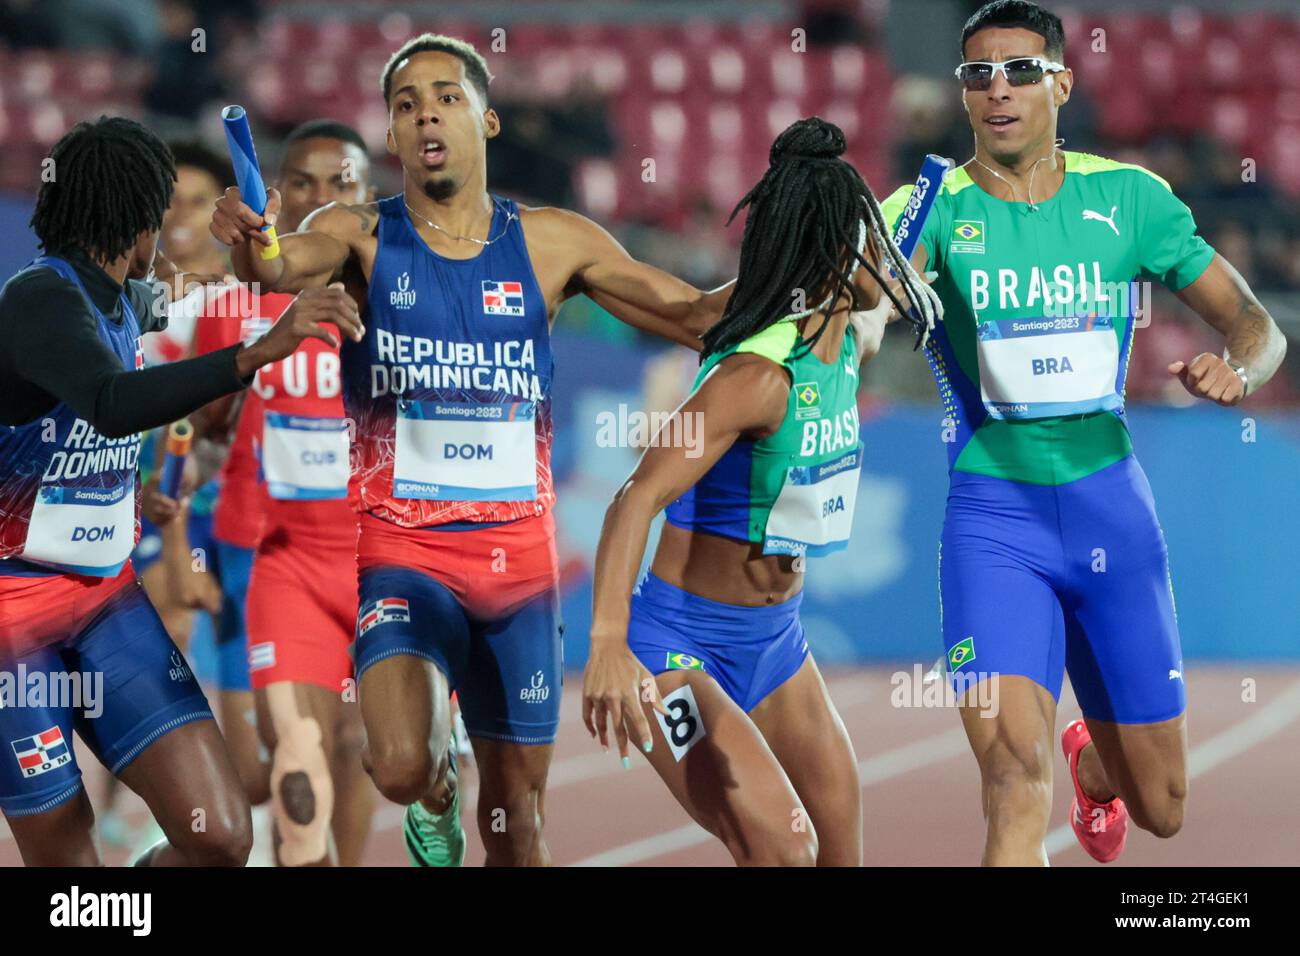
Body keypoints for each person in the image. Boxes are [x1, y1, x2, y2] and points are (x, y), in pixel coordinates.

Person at [210, 33, 729, 866]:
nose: (426, 115)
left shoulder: (554, 241)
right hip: (402, 554)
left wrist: (796, 262)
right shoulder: (357, 235)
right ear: (389, 133)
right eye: (407, 104)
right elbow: (275, 264)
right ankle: (438, 785)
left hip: (520, 569)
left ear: (487, 119)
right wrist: (251, 239)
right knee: (398, 765)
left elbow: (699, 316)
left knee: (518, 827)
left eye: (446, 97)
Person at [879, 0, 1287, 865]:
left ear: (1061, 83)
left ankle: (1095, 766)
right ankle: (1051, 761)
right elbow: (866, 308)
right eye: (978, 73)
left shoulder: (1129, 198)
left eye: (1021, 70)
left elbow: (1257, 324)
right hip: (995, 522)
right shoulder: (928, 207)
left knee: (1164, 806)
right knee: (1011, 777)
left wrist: (1241, 370)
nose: (998, 89)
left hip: (1111, 513)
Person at [0, 116, 362, 865]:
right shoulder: (39, 298)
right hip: (12, 619)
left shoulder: (125, 300)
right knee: (68, 866)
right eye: (160, 219)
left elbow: (204, 302)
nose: (165, 239)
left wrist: (258, 246)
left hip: (106, 603)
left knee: (222, 837)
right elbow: (109, 400)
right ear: (135, 219)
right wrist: (259, 351)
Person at [582, 118, 938, 865]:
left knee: (842, 847)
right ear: (837, 255)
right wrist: (609, 644)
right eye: (870, 240)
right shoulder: (757, 377)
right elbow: (633, 499)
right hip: (678, 648)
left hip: (776, 644)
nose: (884, 253)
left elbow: (874, 318)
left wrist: (905, 284)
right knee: (785, 850)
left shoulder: (846, 338)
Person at [195, 119, 380, 866]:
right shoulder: (236, 302)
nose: (322, 198)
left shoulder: (403, 299)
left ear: (370, 199)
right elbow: (203, 430)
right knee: (295, 778)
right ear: (277, 190)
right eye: (302, 182)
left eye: (344, 184)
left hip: (387, 562)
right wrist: (236, 390)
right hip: (281, 561)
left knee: (369, 748)